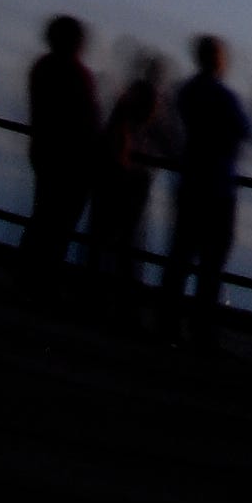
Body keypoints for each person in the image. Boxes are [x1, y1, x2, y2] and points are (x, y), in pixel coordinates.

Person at [166, 35, 252, 344]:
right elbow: (247, 131)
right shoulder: (224, 97)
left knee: (181, 255)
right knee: (212, 261)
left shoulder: (186, 91)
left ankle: (170, 321)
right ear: (218, 60)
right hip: (218, 187)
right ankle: (201, 328)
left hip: (190, 181)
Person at [84, 50, 172, 323]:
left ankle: (94, 297)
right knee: (128, 242)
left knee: (103, 237)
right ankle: (122, 306)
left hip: (112, 175)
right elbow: (166, 142)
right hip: (132, 179)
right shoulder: (152, 101)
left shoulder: (128, 97)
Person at [20, 17, 101, 288]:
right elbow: (88, 119)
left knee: (43, 215)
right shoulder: (77, 74)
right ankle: (43, 279)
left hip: (45, 153)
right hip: (72, 161)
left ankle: (29, 274)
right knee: (61, 223)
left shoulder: (42, 68)